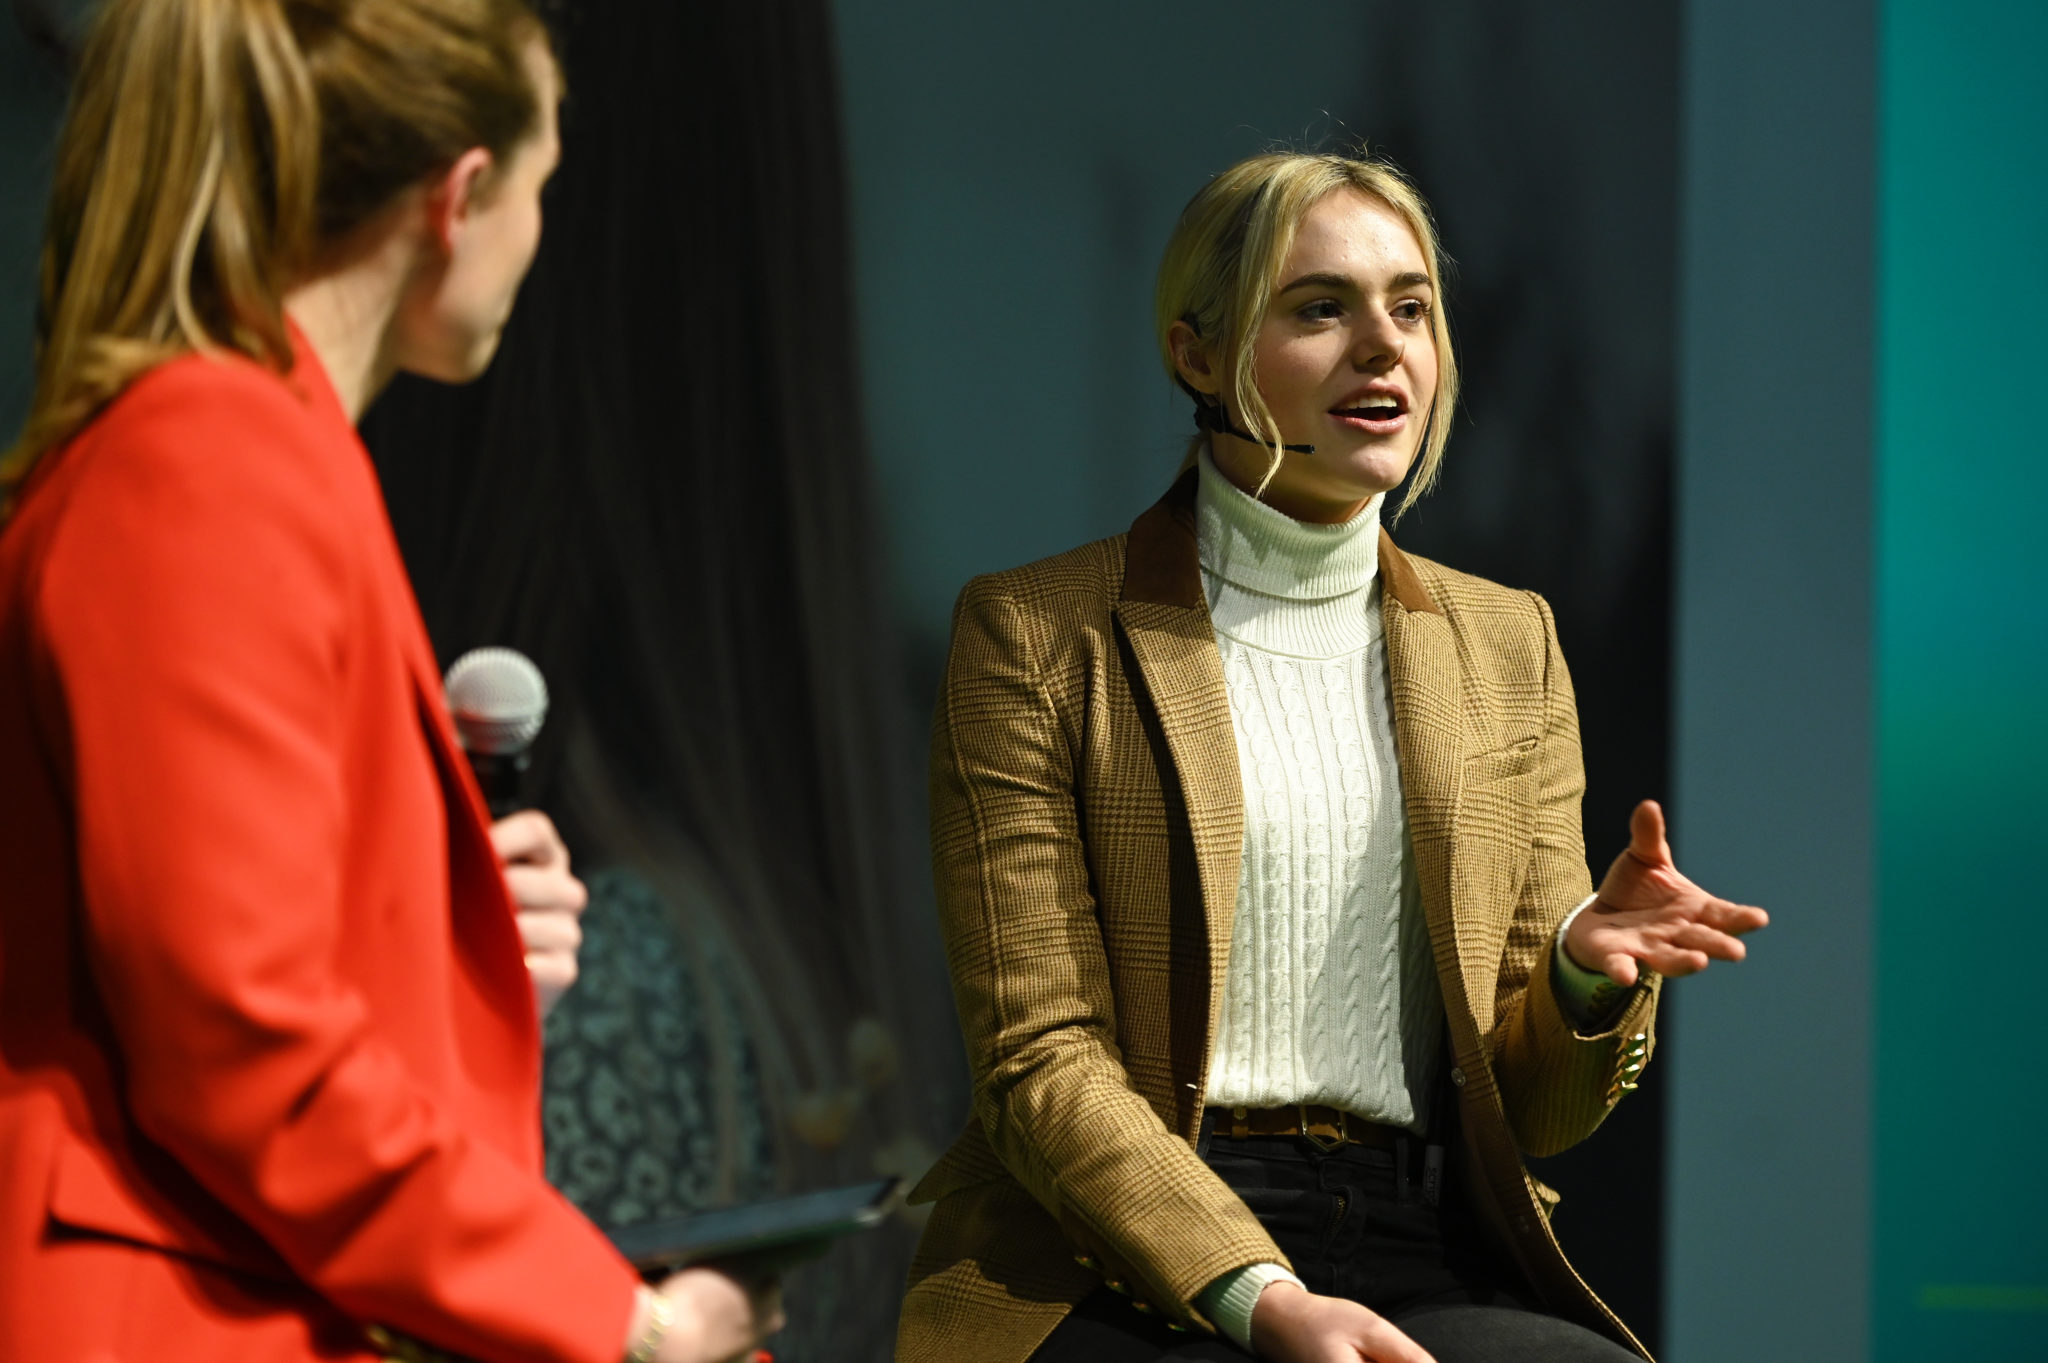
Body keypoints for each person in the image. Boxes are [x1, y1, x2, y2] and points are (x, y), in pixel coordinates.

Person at [0, 2, 781, 1361]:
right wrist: (631, 1324)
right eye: (541, 188)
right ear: (458, 198)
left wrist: (438, 956)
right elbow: (238, 1043)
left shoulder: (258, 448)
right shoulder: (214, 454)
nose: (538, 236)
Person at [896, 151, 1769, 1363]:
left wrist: (1579, 974)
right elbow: (1036, 1059)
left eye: (1410, 308)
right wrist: (1260, 1294)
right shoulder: (1035, 633)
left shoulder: (1506, 642)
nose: (1382, 346)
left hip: (1421, 1239)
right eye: (1320, 308)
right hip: (1109, 1257)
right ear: (1197, 356)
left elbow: (1537, 1112)